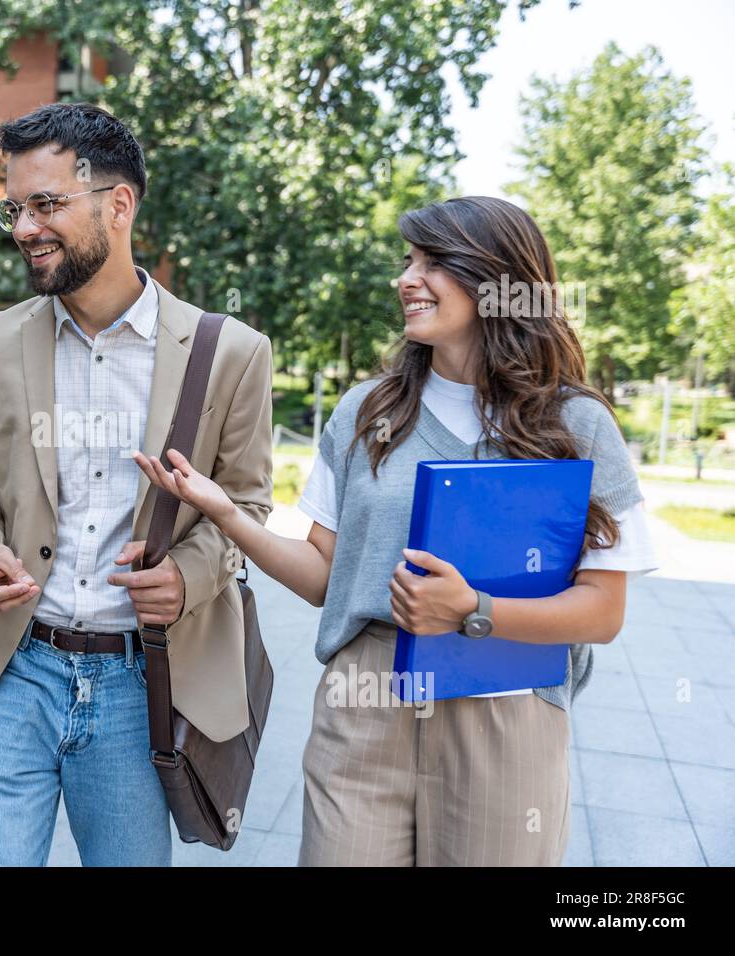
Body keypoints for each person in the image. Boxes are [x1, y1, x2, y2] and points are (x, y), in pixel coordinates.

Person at [134, 196, 658, 866]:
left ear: (497, 281)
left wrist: (473, 609)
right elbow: (324, 574)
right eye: (408, 260)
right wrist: (227, 514)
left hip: (504, 710)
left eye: (433, 261)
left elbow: (603, 612)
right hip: (366, 701)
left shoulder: (574, 426)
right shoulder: (367, 411)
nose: (406, 278)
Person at [0, 103, 275, 866]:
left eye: (47, 204)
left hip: (139, 683)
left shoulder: (229, 353)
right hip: (12, 672)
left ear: (118, 205)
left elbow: (249, 506)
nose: (24, 228)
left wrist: (188, 579)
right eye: (15, 209)